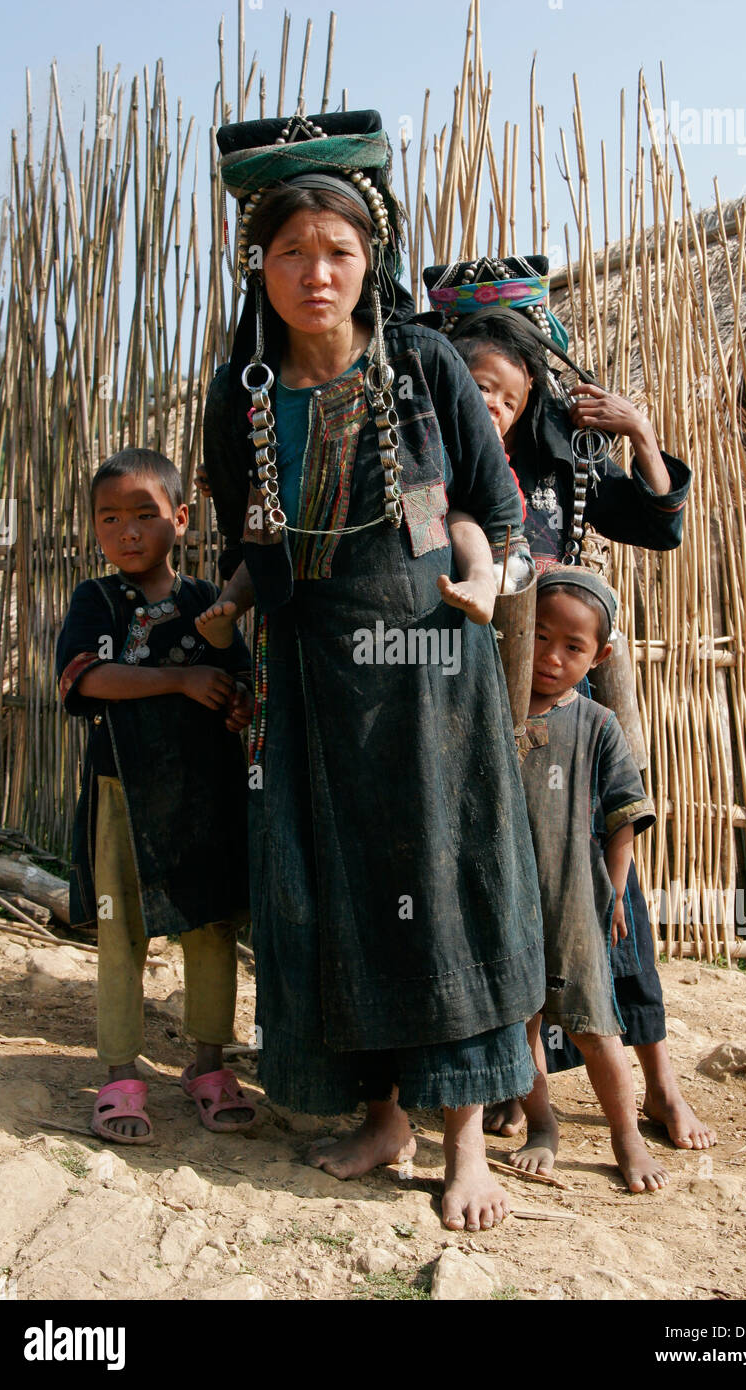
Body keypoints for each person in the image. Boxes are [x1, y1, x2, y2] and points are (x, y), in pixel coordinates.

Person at [198, 111, 544, 1232]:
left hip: (432, 673)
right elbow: (250, 539)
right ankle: (382, 1110)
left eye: (337, 252)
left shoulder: (428, 366)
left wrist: (487, 574)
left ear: (369, 262)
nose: (315, 273)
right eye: (291, 250)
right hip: (309, 676)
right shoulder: (241, 395)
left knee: (442, 885)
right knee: (337, 887)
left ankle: (463, 1147)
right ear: (261, 263)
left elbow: (496, 513)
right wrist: (233, 605)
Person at [421, 254, 715, 1152]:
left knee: (600, 890)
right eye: (472, 382)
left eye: (508, 385)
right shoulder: (431, 473)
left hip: (561, 701)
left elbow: (660, 525)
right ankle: (507, 1077)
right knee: (491, 880)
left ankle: (658, 1081)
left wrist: (640, 431)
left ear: (532, 383)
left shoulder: (566, 467)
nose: (491, 403)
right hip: (463, 699)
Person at [56, 448, 257, 1143]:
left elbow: (241, 679)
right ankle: (118, 1075)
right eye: (110, 518)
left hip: (205, 798)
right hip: (123, 795)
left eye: (145, 515)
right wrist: (180, 680)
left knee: (211, 927)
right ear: (94, 528)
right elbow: (84, 679)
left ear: (180, 517)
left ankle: (207, 1065)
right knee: (121, 934)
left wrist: (235, 700)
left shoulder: (209, 601)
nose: (128, 532)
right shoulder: (97, 601)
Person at [515, 567, 669, 1192]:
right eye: (542, 636)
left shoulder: (599, 724)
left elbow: (625, 816)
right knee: (518, 1020)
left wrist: (614, 892)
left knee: (593, 1023)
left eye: (573, 647)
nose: (552, 657)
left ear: (599, 656)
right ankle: (541, 1124)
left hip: (575, 897)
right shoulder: (495, 701)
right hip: (507, 896)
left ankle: (625, 1134)